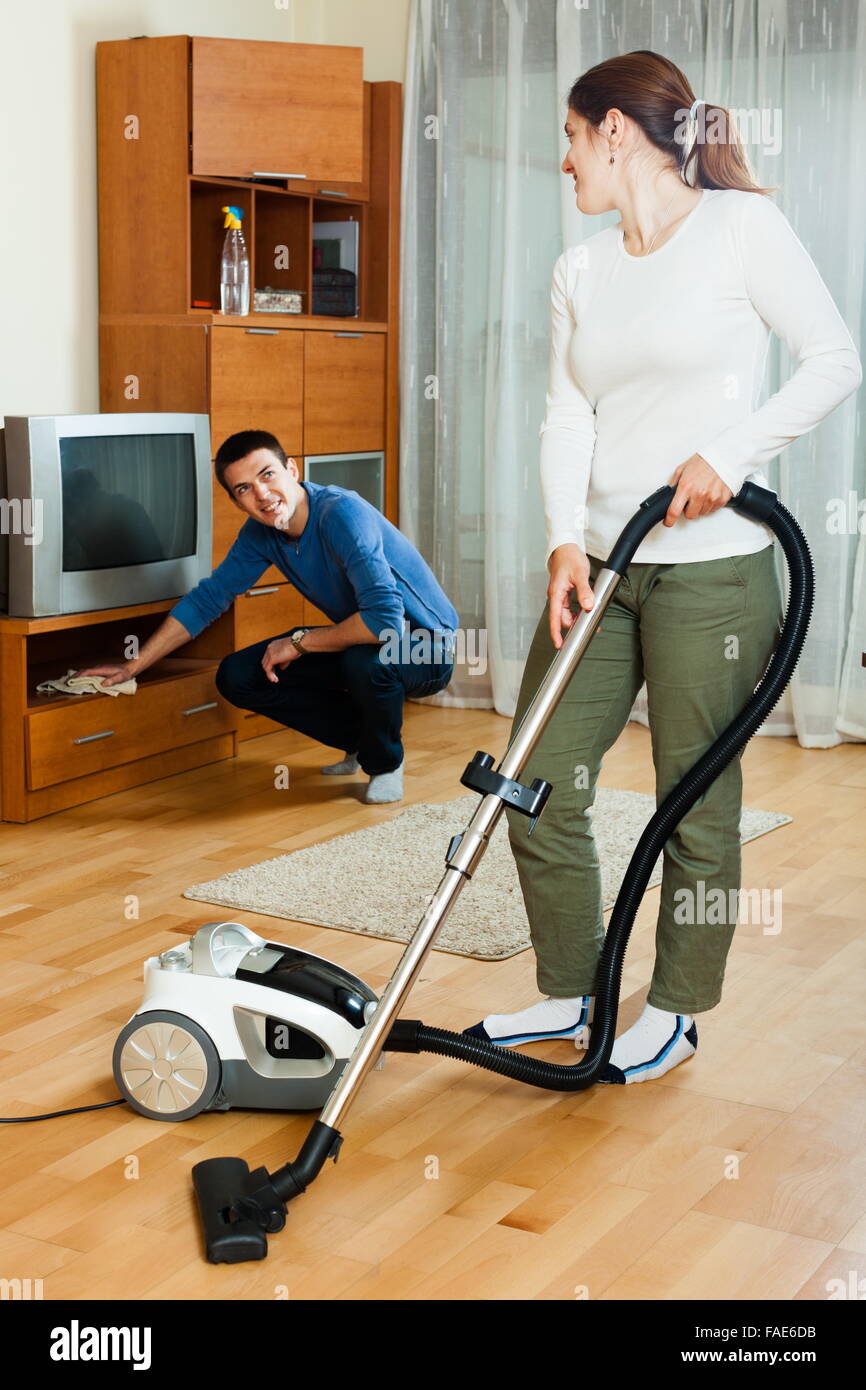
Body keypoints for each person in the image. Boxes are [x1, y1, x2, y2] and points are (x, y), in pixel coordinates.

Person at [465, 51, 862, 1082]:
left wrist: (728, 456)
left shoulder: (740, 230)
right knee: (531, 779)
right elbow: (565, 413)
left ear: (612, 131)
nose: (561, 161)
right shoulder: (580, 269)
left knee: (692, 801)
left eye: (566, 136)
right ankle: (569, 989)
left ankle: (677, 1008)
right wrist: (560, 537)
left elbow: (832, 358)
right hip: (601, 568)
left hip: (714, 574)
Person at [78, 430, 459, 805]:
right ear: (236, 501)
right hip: (359, 638)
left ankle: (385, 763)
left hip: (427, 647)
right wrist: (133, 667)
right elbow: (210, 599)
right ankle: (364, 741)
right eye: (243, 488)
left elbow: (384, 624)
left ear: (291, 470)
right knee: (239, 675)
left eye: (267, 474)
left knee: (365, 661)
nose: (262, 494)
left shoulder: (342, 514)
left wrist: (299, 642)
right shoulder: (260, 534)